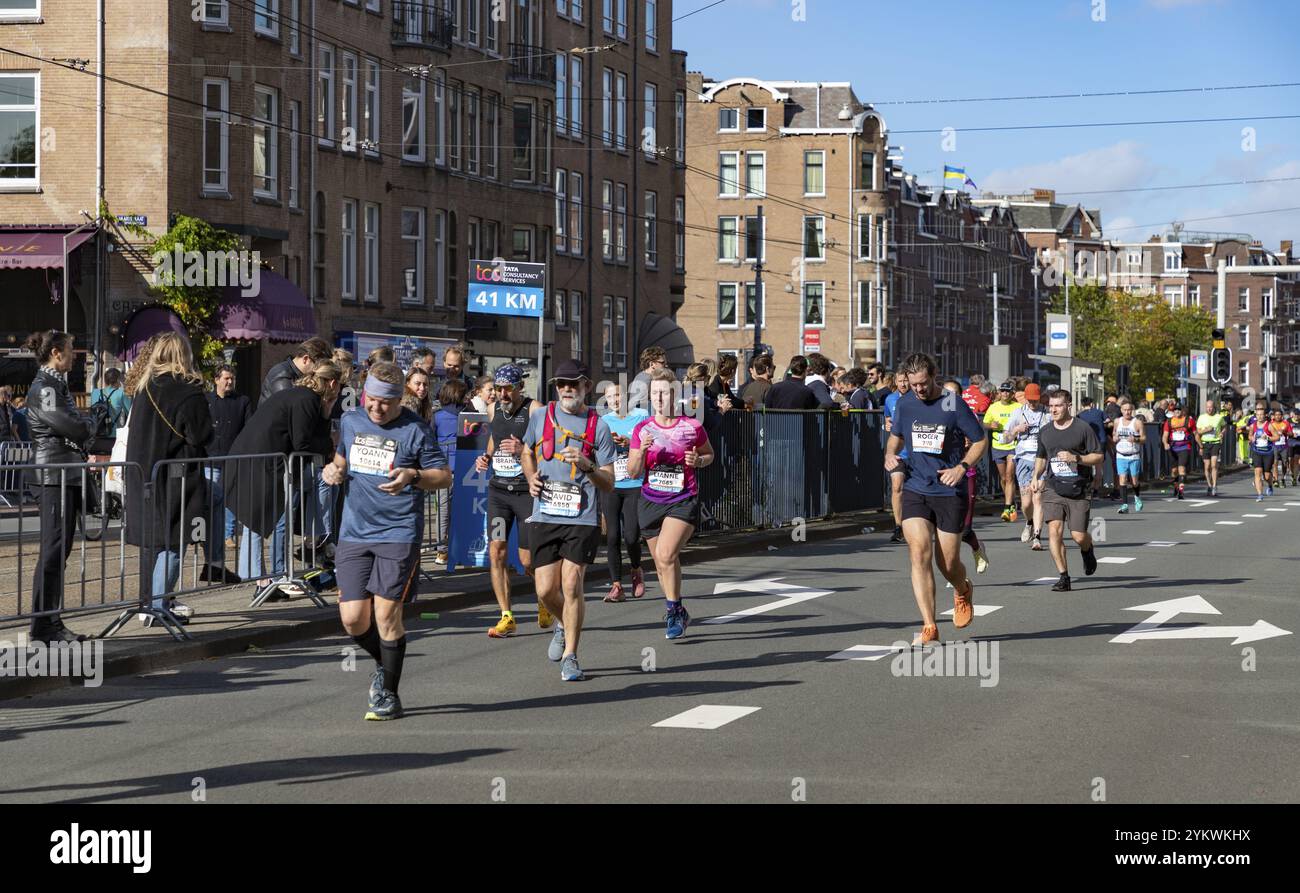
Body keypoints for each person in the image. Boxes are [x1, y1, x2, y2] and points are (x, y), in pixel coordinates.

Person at [322, 360, 450, 721]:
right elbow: (341, 460)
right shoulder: (351, 421)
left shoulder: (416, 430)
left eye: (385, 403)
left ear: (400, 400)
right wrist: (334, 470)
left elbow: (443, 477)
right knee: (352, 620)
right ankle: (386, 662)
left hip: (398, 533)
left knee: (386, 614)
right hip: (354, 532)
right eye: (371, 400)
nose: (376, 408)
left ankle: (388, 694)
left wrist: (413, 475)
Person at [520, 359, 617, 682]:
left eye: (573, 384)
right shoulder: (540, 416)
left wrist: (588, 465)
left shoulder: (598, 426)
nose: (566, 390)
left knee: (572, 584)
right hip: (545, 513)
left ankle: (571, 655)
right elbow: (526, 451)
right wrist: (531, 476)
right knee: (546, 589)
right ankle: (563, 624)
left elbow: (610, 481)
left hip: (582, 517)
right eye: (561, 384)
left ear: (586, 386)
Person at [884, 353, 987, 646]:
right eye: (913, 384)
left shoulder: (953, 403)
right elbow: (896, 437)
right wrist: (890, 455)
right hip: (916, 487)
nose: (918, 389)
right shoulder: (905, 402)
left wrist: (961, 468)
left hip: (948, 489)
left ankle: (962, 588)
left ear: (934, 376)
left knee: (948, 562)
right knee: (918, 553)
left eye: (923, 383)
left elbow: (980, 441)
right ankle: (929, 625)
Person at [124, 332, 215, 627]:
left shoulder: (144, 386)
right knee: (176, 542)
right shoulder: (187, 389)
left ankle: (149, 603)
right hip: (176, 478)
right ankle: (158, 606)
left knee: (156, 543)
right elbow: (201, 435)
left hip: (143, 474)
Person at [225, 362, 342, 587]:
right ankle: (261, 580)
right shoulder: (306, 399)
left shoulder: (301, 396)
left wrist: (326, 413)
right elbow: (302, 442)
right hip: (260, 462)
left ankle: (261, 580)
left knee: (257, 522)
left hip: (259, 459)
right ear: (333, 383)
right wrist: (329, 442)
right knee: (258, 521)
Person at [25, 330, 103, 644]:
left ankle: (49, 623)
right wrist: (91, 424)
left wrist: (85, 426)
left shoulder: (55, 385)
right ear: (57, 353)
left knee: (60, 551)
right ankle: (44, 626)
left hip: (63, 473)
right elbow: (72, 427)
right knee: (54, 551)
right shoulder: (44, 387)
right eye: (71, 351)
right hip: (53, 474)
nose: (75, 356)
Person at [627, 369, 714, 639]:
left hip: (682, 499)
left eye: (665, 393)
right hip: (650, 501)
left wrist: (699, 461)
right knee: (663, 563)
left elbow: (709, 453)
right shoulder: (642, 429)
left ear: (675, 395)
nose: (660, 398)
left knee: (666, 554)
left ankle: (673, 611)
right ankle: (680, 610)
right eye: (655, 394)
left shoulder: (691, 427)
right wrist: (641, 450)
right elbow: (632, 472)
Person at [473, 364, 544, 635]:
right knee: (497, 551)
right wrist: (487, 456)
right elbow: (495, 436)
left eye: (508, 388)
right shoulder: (492, 410)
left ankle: (545, 600)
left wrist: (524, 449)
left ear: (519, 387)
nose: (502, 393)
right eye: (499, 388)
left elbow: (550, 444)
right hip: (499, 493)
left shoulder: (534, 409)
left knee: (527, 561)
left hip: (525, 493)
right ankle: (506, 615)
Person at [1031, 389, 1103, 592]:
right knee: (1054, 531)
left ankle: (1087, 550)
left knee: (1079, 535)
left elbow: (1098, 456)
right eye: (1051, 406)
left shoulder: (1083, 428)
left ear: (1068, 406)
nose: (1053, 409)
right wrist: (1036, 476)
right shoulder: (1045, 431)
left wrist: (1077, 458)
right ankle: (1064, 577)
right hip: (1054, 487)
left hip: (1079, 487)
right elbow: (1042, 457)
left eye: (1058, 405)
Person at [599, 381, 648, 602]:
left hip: (634, 484)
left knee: (630, 536)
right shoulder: (603, 422)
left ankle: (636, 570)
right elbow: (595, 451)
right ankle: (616, 586)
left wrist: (630, 443)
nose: (615, 401)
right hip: (611, 483)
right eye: (610, 398)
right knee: (612, 537)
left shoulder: (641, 416)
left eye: (618, 396)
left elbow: (651, 444)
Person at [205, 364, 252, 573]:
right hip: (210, 458)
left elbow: (248, 428)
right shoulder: (206, 400)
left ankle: (227, 534)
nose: (229, 382)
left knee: (230, 499)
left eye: (232, 378)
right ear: (216, 380)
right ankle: (208, 536)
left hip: (232, 459)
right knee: (210, 501)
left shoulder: (242, 401)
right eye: (226, 378)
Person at [941, 379, 990, 574]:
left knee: (965, 529)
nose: (949, 399)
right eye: (945, 394)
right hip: (942, 474)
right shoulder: (935, 415)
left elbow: (980, 443)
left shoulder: (967, 417)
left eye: (953, 395)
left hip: (965, 473)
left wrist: (968, 443)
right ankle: (954, 570)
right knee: (948, 529)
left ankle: (978, 548)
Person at [1005, 383, 1049, 548]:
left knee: (1038, 498)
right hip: (1023, 459)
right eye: (1030, 400)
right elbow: (1005, 438)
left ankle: (1037, 537)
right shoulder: (1018, 412)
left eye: (1036, 400)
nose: (1033, 403)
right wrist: (1016, 429)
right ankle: (1029, 522)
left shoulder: (1047, 413)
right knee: (1026, 503)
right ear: (1025, 398)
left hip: (1042, 459)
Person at [431, 378, 465, 567]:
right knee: (462, 512)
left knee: (442, 512)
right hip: (466, 470)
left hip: (444, 471)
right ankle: (458, 549)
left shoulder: (437, 416)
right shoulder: (469, 415)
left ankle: (442, 550)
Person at [982, 381, 1020, 522]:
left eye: (1007, 391)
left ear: (1012, 393)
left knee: (1010, 476)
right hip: (998, 446)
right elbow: (984, 423)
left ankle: (1007, 507)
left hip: (1013, 445)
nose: (1005, 393)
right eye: (1002, 391)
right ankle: (1011, 501)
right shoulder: (993, 407)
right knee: (1003, 478)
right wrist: (991, 425)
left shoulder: (1018, 407)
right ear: (999, 393)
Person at [261, 337, 332, 404]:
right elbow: (289, 406)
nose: (319, 372)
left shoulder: (297, 374)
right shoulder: (282, 374)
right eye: (318, 367)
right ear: (306, 359)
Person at [884, 368, 908, 544]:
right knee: (897, 486)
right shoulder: (890, 399)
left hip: (918, 453)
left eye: (906, 380)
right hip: (898, 453)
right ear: (896, 382)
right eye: (900, 381)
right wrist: (886, 424)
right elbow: (887, 421)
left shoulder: (919, 398)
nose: (904, 384)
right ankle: (898, 526)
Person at [1112, 399, 1146, 513]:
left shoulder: (1137, 422)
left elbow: (1144, 439)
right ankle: (1124, 505)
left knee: (1134, 481)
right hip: (1121, 455)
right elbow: (1114, 434)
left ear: (1132, 410)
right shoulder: (1117, 421)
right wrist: (1115, 438)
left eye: (1129, 410)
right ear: (1121, 410)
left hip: (1133, 456)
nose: (1127, 412)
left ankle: (1137, 497)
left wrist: (1135, 439)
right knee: (1122, 480)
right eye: (1125, 410)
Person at [1077, 397, 1110, 500]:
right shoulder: (1100, 412)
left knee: (1087, 465)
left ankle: (1087, 489)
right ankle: (1096, 491)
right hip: (1101, 441)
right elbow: (1108, 420)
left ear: (1082, 405)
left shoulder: (1080, 415)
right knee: (1099, 467)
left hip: (1087, 442)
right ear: (1092, 404)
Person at [1245, 405, 1280, 501]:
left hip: (1268, 452)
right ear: (1256, 415)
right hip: (1257, 451)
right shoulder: (1253, 426)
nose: (1260, 416)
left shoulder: (1269, 425)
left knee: (1267, 476)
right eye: (1258, 414)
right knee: (1257, 472)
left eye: (1261, 415)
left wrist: (1268, 438)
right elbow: (1250, 436)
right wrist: (1251, 438)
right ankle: (1260, 495)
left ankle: (1270, 485)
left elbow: (1277, 437)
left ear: (1265, 415)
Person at [1161, 403, 1194, 500]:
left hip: (1184, 447)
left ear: (1182, 411)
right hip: (1173, 448)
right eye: (1175, 410)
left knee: (1182, 469)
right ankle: (1176, 486)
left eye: (1179, 410)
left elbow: (1195, 433)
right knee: (1174, 471)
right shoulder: (1169, 422)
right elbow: (1165, 435)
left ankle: (1181, 491)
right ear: (1173, 411)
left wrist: (1200, 445)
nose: (1177, 412)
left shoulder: (1189, 420)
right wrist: (1165, 443)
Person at [1195, 399, 1228, 497]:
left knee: (1214, 465)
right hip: (1205, 443)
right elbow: (1198, 432)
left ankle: (1214, 486)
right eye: (1208, 407)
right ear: (1206, 408)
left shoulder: (1219, 417)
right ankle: (1209, 485)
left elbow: (1224, 426)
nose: (1209, 409)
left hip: (1216, 443)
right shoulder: (1201, 417)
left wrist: (1222, 433)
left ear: (1214, 407)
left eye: (1211, 407)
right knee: (1207, 466)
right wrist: (1206, 430)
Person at [90, 368, 131, 438]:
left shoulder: (95, 393)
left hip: (96, 434)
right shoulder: (121, 393)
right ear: (118, 380)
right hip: (113, 435)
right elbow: (131, 413)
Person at [630, 346, 668, 413]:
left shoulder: (640, 376)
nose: (666, 365)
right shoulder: (648, 380)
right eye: (662, 362)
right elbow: (638, 407)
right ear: (652, 364)